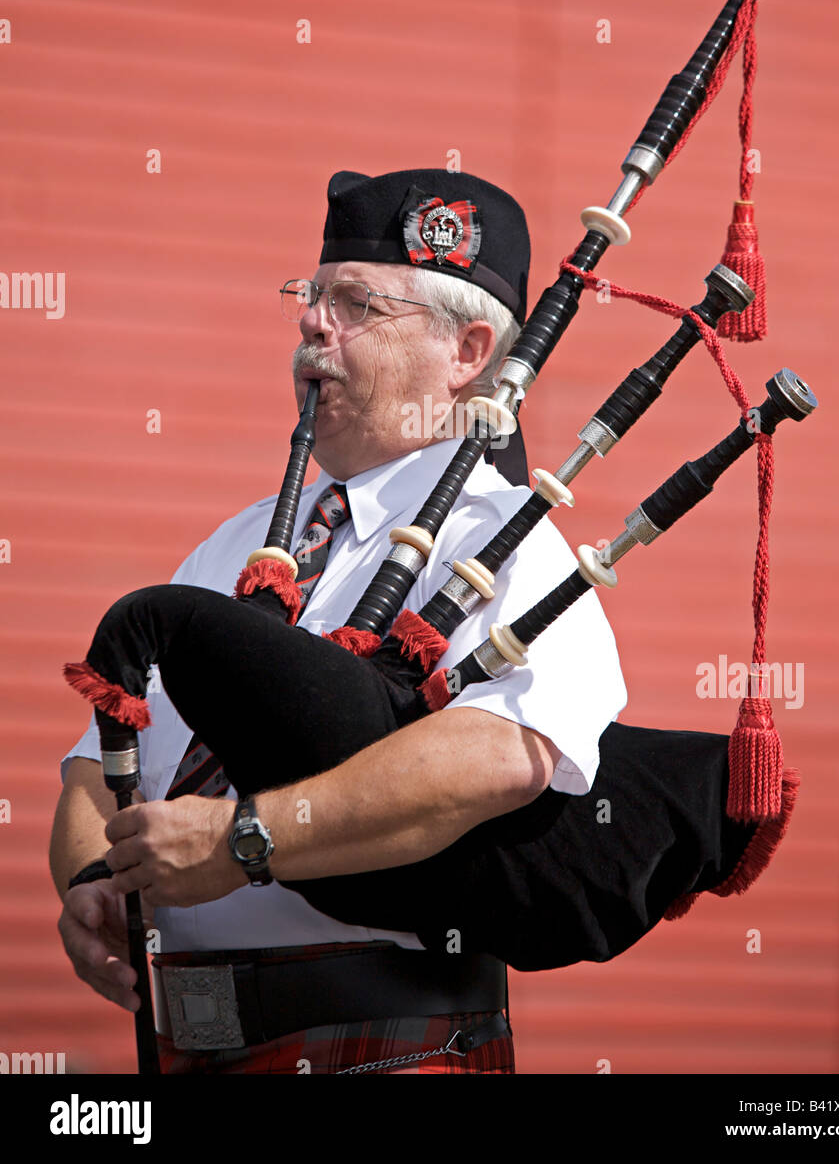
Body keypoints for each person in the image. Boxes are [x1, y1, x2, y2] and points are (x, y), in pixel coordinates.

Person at [50, 168, 627, 1074]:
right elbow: (100, 753)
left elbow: (501, 756)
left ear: (468, 351)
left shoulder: (509, 544)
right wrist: (91, 880)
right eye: (312, 298)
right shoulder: (230, 546)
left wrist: (244, 843)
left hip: (389, 1050)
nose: (315, 323)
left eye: (357, 304)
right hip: (186, 1045)